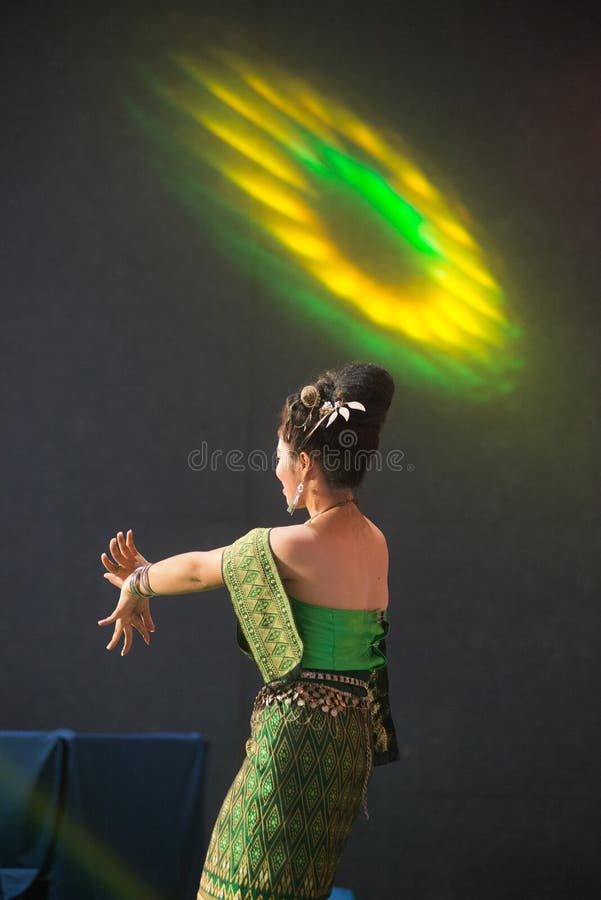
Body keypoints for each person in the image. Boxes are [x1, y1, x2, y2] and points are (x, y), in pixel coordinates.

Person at [98, 361, 399, 900]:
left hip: (296, 744)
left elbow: (198, 569)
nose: (276, 468)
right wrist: (144, 581)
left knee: (241, 885)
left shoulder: (296, 544)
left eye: (280, 456)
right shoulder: (374, 540)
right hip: (347, 748)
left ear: (305, 463)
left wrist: (138, 583)